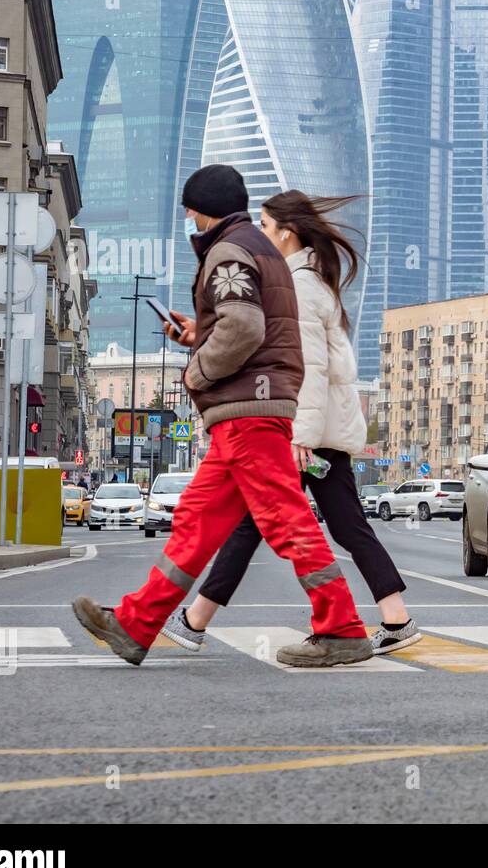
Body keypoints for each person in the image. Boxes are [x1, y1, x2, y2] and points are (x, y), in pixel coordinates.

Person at [71, 164, 371, 668]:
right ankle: (137, 623)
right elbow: (246, 322)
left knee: (284, 517)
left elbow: (245, 325)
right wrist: (199, 335)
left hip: (248, 410)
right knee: (197, 522)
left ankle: (341, 627)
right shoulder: (256, 247)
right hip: (247, 408)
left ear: (206, 207)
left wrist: (197, 372)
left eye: (191, 207)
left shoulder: (228, 250)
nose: (189, 216)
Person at [160, 190, 419, 656]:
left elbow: (310, 368)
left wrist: (299, 435)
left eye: (264, 224)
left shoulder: (296, 284)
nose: (258, 233)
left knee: (248, 521)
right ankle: (396, 617)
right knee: (342, 524)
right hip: (322, 429)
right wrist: (199, 336)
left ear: (286, 231)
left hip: (304, 431)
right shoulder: (311, 281)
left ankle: (194, 620)